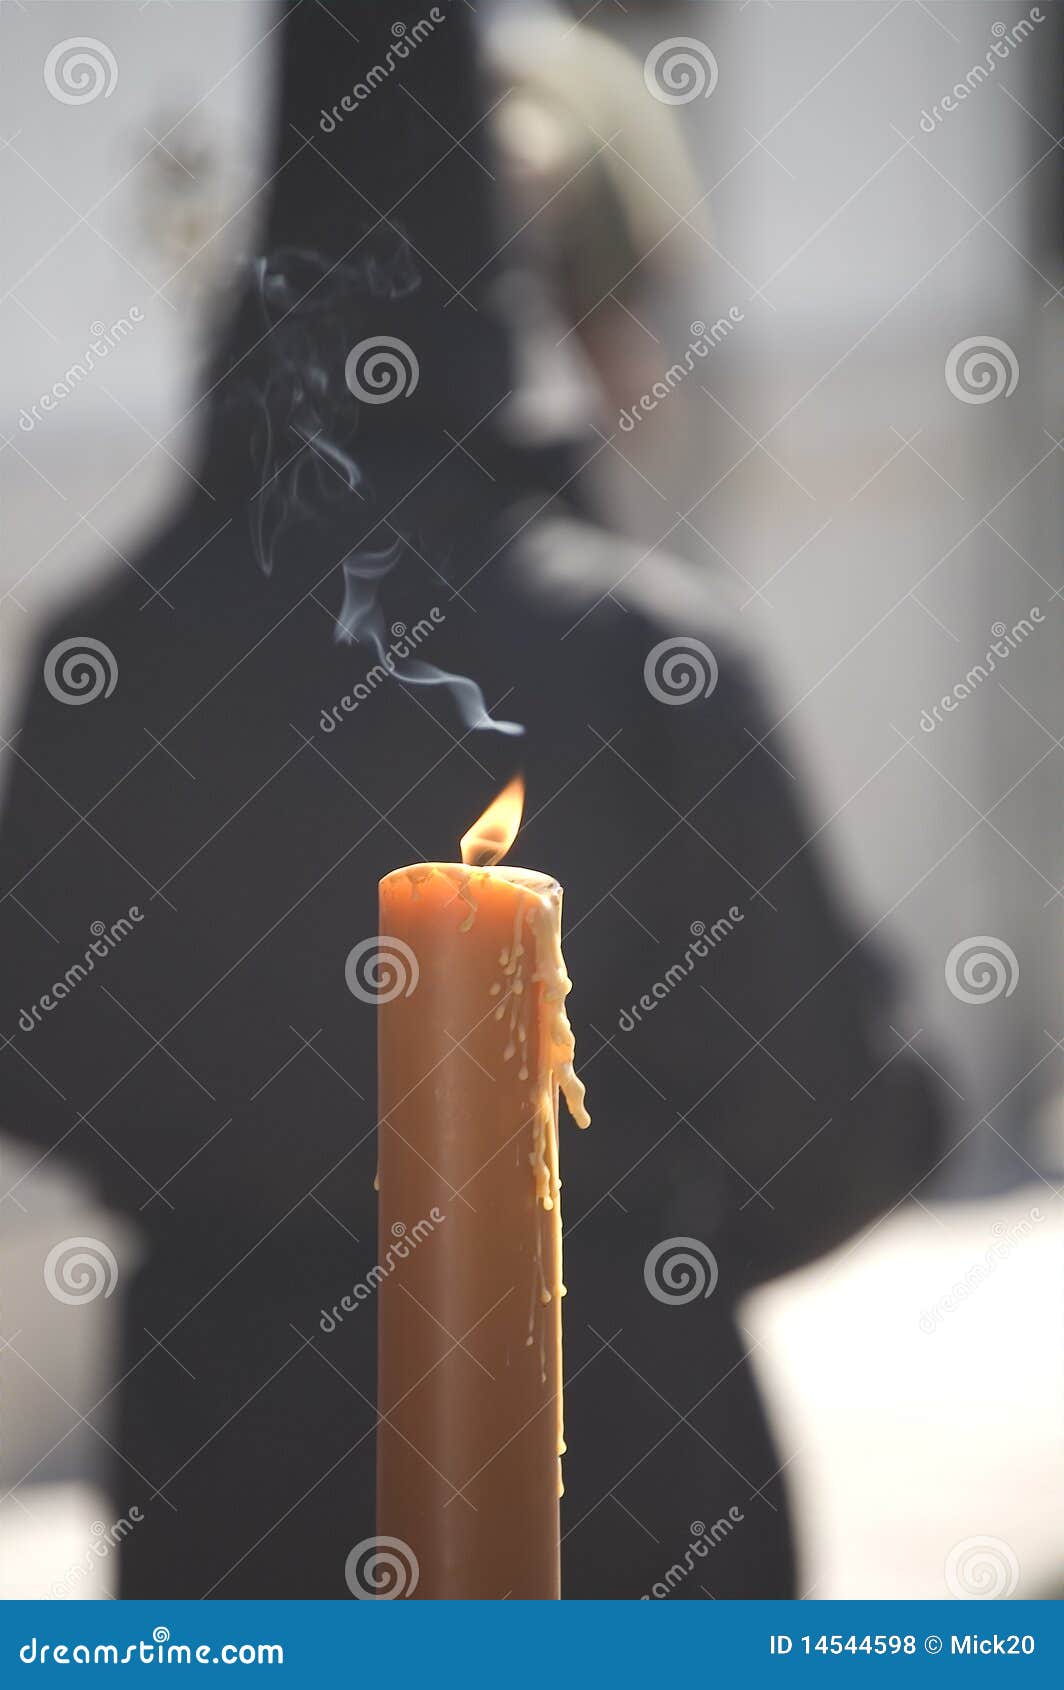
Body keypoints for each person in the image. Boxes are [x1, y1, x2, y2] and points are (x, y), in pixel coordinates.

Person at [0, 1, 941, 1598]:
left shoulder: (105, 648)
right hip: (627, 1495)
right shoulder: (648, 658)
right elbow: (831, 1120)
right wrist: (623, 1252)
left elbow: (42, 1066)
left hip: (235, 1504)